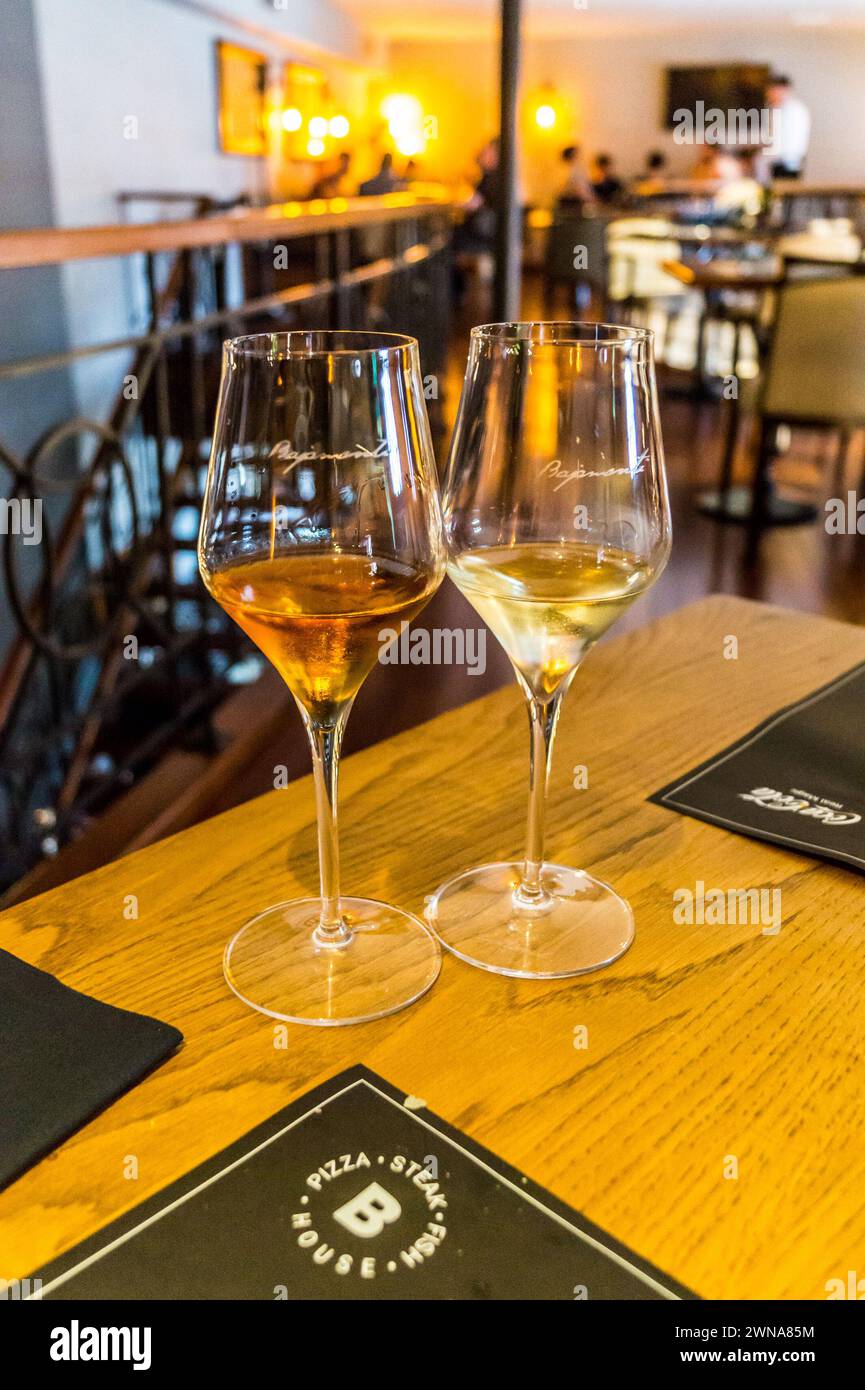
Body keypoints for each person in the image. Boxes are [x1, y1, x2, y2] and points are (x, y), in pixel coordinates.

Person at [764, 73, 811, 180]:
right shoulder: (772, 109)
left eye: (773, 90)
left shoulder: (795, 110)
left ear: (785, 90)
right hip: (774, 161)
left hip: (787, 162)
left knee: (785, 191)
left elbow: (790, 140)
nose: (770, 94)